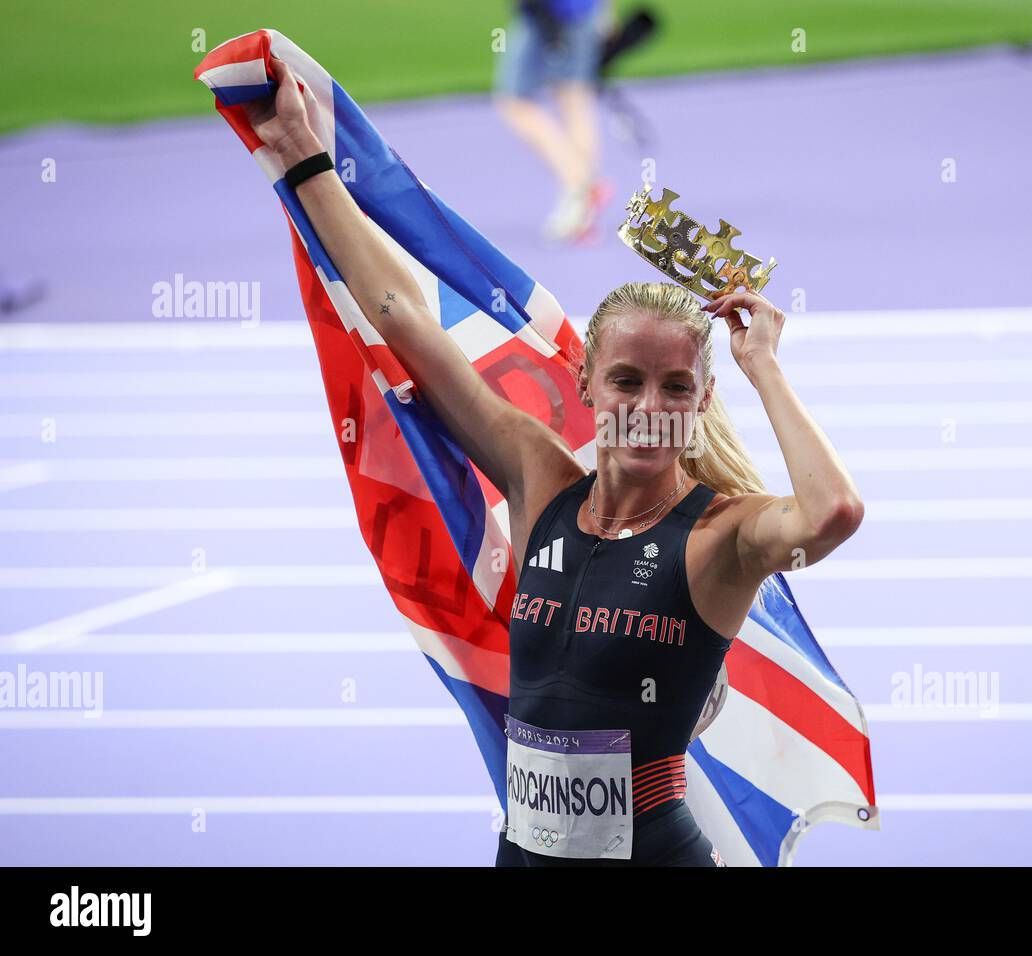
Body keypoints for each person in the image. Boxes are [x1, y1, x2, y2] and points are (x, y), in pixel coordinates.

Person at [243, 56, 865, 866]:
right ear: (587, 386)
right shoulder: (541, 481)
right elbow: (408, 324)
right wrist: (307, 163)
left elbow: (831, 514)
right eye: (626, 381)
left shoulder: (719, 537)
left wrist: (766, 367)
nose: (649, 407)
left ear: (705, 398)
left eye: (678, 386)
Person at [493, 0, 614, 242]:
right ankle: (582, 201)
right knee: (574, 97)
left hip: (553, 13)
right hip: (576, 11)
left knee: (515, 102)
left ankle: (581, 183)